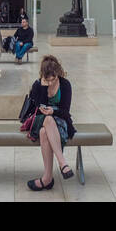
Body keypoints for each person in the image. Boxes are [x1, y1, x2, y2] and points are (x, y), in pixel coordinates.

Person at [25, 55, 76, 190]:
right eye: (47, 80)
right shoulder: (37, 85)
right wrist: (43, 88)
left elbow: (65, 112)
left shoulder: (65, 85)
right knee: (46, 120)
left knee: (44, 132)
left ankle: (47, 178)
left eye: (53, 79)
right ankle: (63, 163)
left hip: (60, 122)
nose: (51, 83)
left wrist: (53, 112)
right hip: (40, 121)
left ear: (58, 73)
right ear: (43, 76)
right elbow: (37, 108)